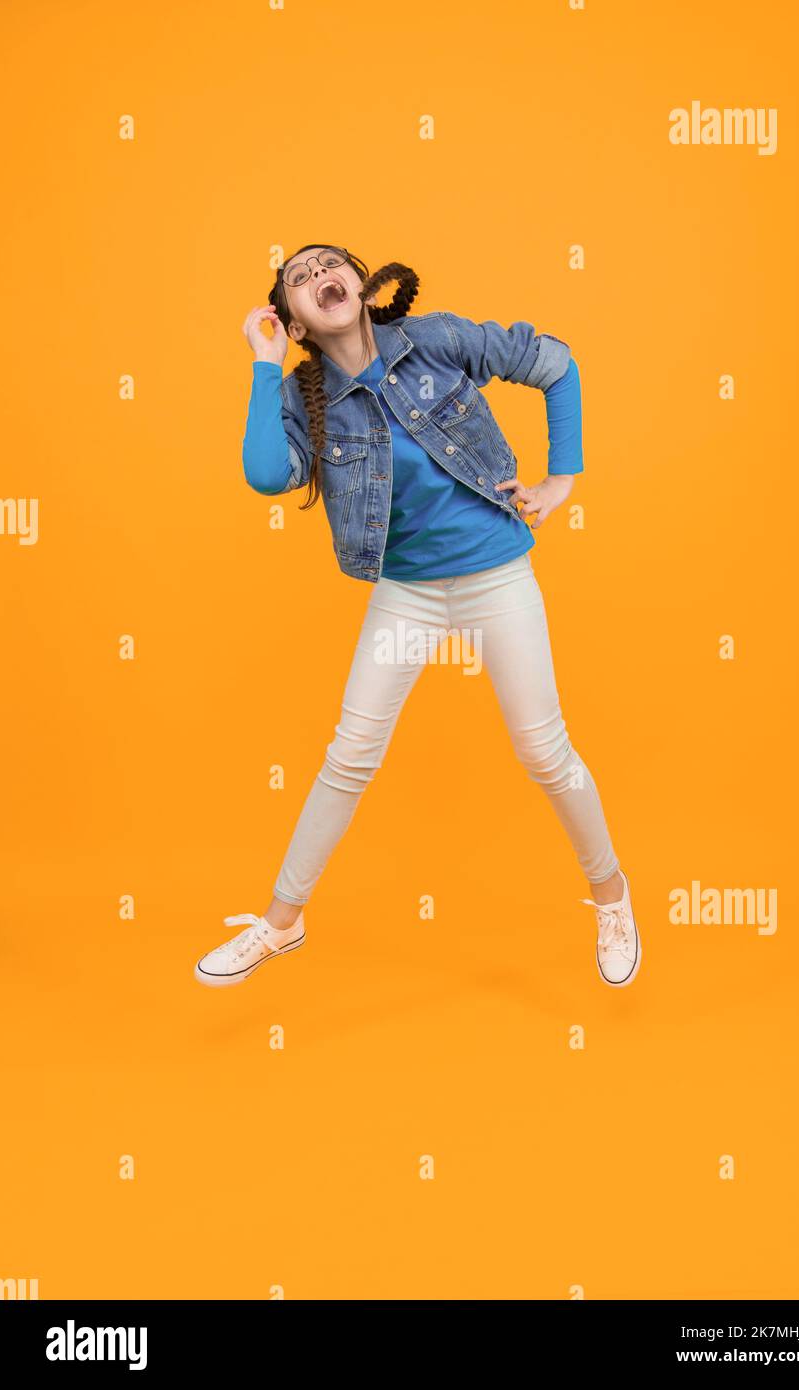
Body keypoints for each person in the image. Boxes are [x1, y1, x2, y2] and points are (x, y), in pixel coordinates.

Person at [194, 245, 642, 990]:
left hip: (495, 578)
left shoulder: (437, 340)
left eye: (327, 265)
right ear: (295, 320)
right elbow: (266, 474)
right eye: (297, 280)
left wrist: (562, 477)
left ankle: (611, 898)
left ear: (362, 288)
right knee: (349, 757)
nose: (316, 278)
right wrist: (263, 363)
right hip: (407, 594)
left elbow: (554, 360)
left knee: (543, 754)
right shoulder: (306, 395)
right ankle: (281, 922)